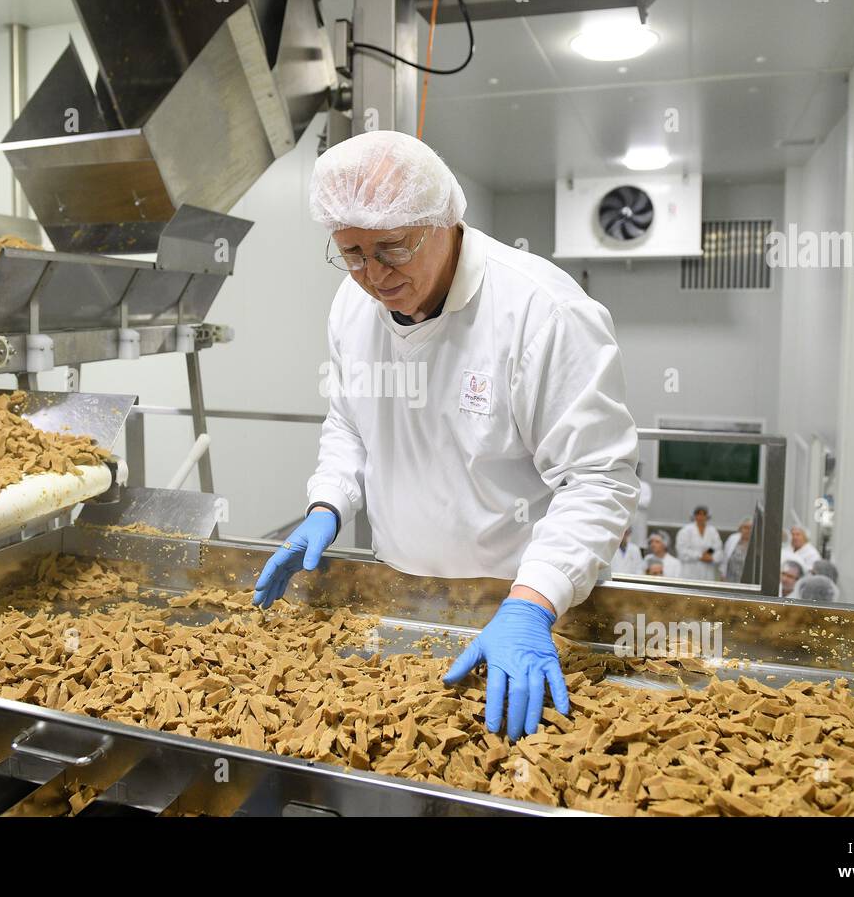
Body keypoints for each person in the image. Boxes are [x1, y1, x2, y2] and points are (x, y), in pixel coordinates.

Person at [254, 130, 640, 740]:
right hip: (404, 607)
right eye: (350, 253)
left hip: (530, 613)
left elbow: (598, 481)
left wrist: (531, 605)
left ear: (443, 222)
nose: (372, 275)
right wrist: (328, 501)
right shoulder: (352, 307)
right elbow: (350, 422)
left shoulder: (541, 314)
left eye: (390, 249)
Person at [676, 505, 723, 580]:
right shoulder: (686, 531)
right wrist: (700, 556)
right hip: (689, 572)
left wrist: (709, 555)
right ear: (694, 516)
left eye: (704, 514)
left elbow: (717, 546)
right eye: (698, 514)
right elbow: (682, 551)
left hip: (708, 572)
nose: (701, 517)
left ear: (707, 516)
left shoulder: (713, 531)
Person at [628, 464, 652, 547]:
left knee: (639, 543)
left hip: (640, 521)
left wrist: (631, 500)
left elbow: (645, 503)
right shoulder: (626, 484)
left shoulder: (645, 486)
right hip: (627, 519)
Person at [723, 517, 752, 583]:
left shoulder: (757, 543)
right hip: (730, 578)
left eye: (750, 528)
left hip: (748, 580)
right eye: (745, 527)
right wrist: (723, 574)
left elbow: (715, 547)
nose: (748, 530)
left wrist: (709, 553)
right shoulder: (732, 538)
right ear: (740, 528)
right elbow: (724, 557)